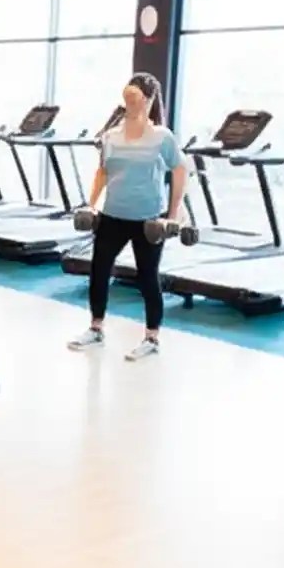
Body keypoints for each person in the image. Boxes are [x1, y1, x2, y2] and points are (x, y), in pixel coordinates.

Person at [67, 72, 188, 361]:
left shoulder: (162, 137)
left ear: (147, 101)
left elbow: (181, 169)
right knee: (99, 270)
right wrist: (91, 203)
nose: (128, 103)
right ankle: (96, 328)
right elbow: (103, 171)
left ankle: (152, 337)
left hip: (147, 218)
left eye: (134, 98)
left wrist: (173, 214)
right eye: (125, 98)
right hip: (113, 215)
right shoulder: (111, 135)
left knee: (147, 277)